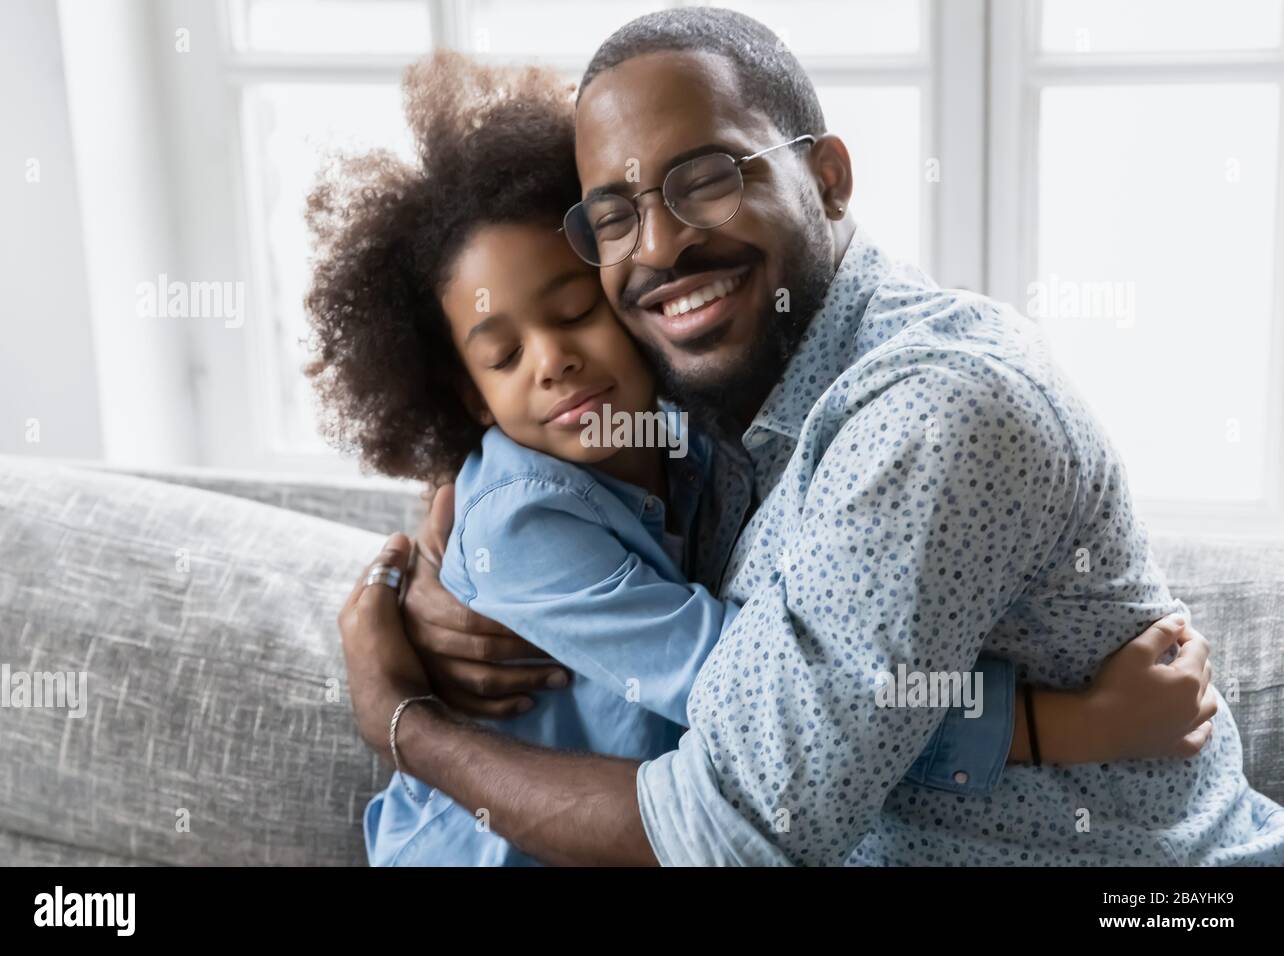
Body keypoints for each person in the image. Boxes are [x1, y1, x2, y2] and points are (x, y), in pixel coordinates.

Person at [340, 9, 1283, 865]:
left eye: (705, 179)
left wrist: (402, 722)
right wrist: (442, 548)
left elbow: (735, 823)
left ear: (827, 177)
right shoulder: (715, 391)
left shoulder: (929, 417)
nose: (660, 248)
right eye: (616, 216)